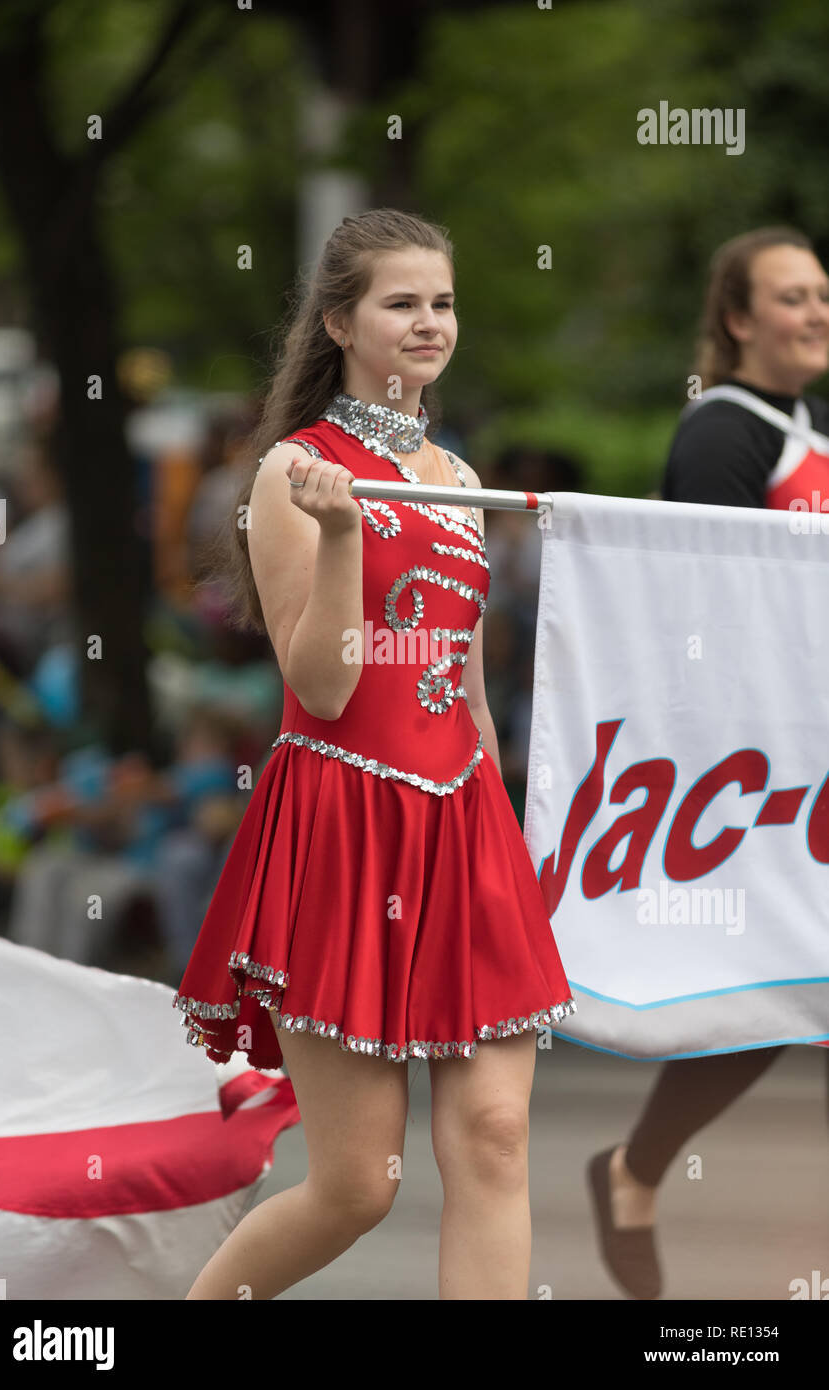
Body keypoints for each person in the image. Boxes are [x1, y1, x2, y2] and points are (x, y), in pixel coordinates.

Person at [173, 208, 576, 1301]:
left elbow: (472, 689)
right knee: (357, 1185)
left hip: (464, 824)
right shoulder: (294, 472)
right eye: (401, 302)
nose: (428, 322)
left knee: (493, 1135)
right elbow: (325, 685)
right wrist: (345, 530)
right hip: (345, 823)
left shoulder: (457, 474)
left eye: (440, 301)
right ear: (341, 321)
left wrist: (504, 825)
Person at [587, 225, 829, 1300]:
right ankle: (632, 1171)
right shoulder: (722, 434)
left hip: (813, 757)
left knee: (787, 998)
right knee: (777, 994)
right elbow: (710, 614)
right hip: (770, 772)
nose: (816, 312)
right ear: (736, 319)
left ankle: (631, 1173)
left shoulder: (805, 422)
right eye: (790, 297)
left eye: (822, 294)